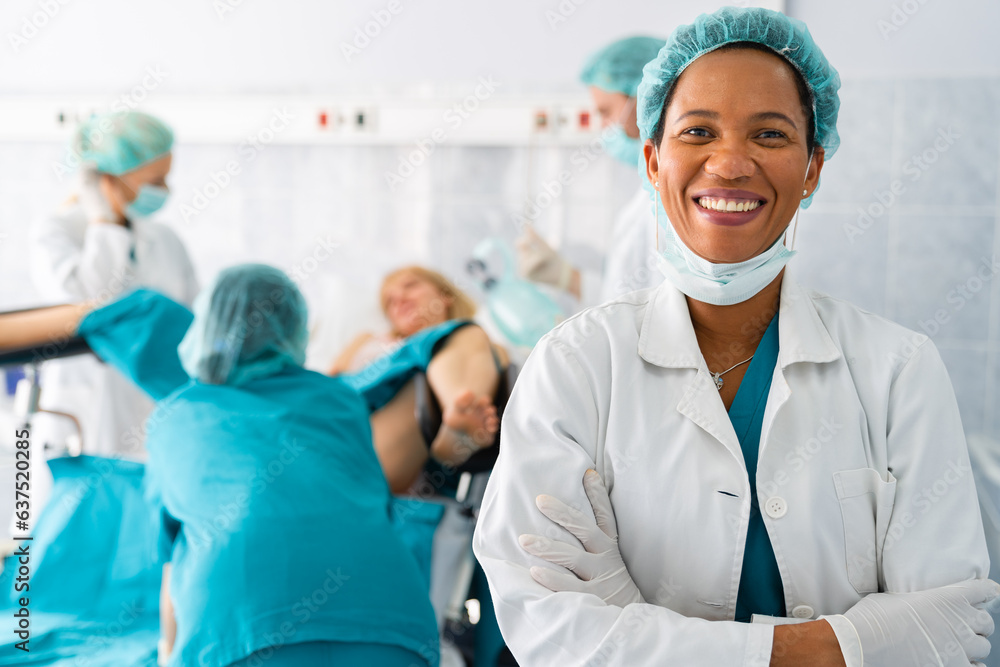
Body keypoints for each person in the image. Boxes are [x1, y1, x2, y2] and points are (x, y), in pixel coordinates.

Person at [474, 7, 997, 666]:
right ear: (652, 159)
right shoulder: (576, 364)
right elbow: (549, 627)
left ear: (812, 168)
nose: (729, 163)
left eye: (770, 135)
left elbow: (951, 631)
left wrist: (628, 614)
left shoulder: (898, 369)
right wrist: (836, 646)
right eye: (697, 130)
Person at [55, 265, 440, 667]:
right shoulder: (341, 400)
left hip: (241, 636)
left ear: (206, 327)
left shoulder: (176, 416)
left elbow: (175, 561)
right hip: (395, 628)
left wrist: (170, 654)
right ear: (295, 328)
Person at [29, 110, 198, 458]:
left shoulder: (165, 239)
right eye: (155, 180)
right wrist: (103, 222)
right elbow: (89, 305)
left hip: (156, 408)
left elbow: (192, 319)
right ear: (108, 178)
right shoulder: (56, 233)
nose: (165, 190)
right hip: (85, 410)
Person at [515, 36, 665, 308]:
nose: (604, 125)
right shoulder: (647, 191)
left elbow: (656, 308)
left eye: (606, 111)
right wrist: (567, 278)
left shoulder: (668, 196)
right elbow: (628, 297)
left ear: (644, 96)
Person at [332, 266, 506, 494]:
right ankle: (456, 432)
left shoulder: (482, 344)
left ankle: (455, 432)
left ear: (446, 296)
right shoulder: (366, 341)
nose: (399, 300)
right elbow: (324, 389)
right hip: (350, 435)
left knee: (457, 345)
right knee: (427, 370)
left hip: (400, 457)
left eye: (410, 285)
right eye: (389, 301)